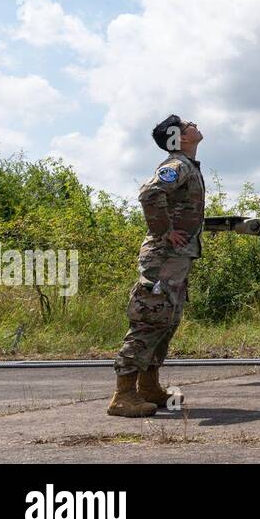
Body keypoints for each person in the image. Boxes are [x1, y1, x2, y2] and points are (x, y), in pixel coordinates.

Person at [110, 115, 205, 418]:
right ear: (179, 138)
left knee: (167, 320)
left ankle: (149, 387)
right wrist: (165, 231)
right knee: (149, 319)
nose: (195, 125)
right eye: (188, 124)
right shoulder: (176, 166)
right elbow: (149, 193)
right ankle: (123, 396)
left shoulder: (187, 166)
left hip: (175, 260)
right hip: (163, 259)